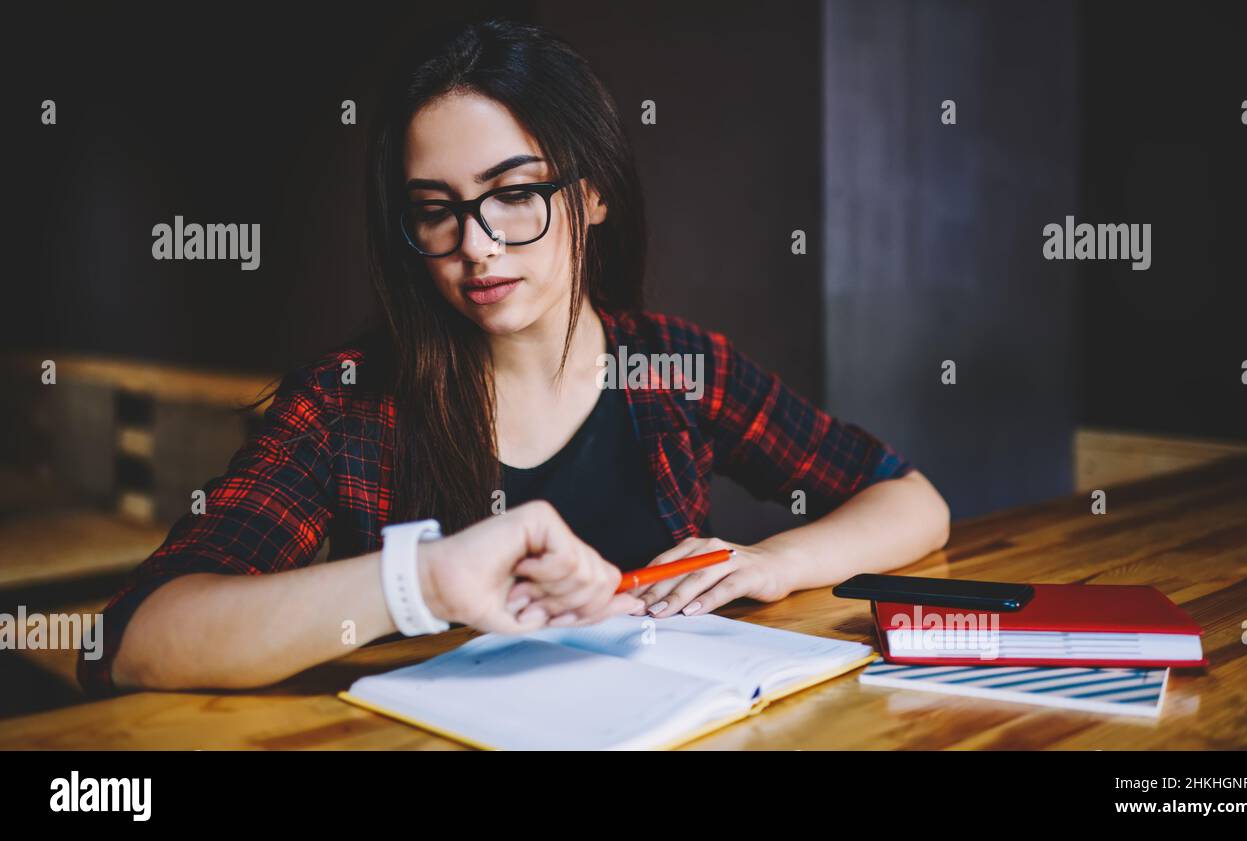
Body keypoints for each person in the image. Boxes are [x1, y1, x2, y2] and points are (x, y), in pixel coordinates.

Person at [79, 18, 949, 697]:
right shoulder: (348, 405)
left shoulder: (674, 367)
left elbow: (910, 499)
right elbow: (133, 641)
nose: (478, 247)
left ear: (595, 191)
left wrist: (777, 560)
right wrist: (419, 582)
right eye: (437, 209)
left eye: (515, 194)